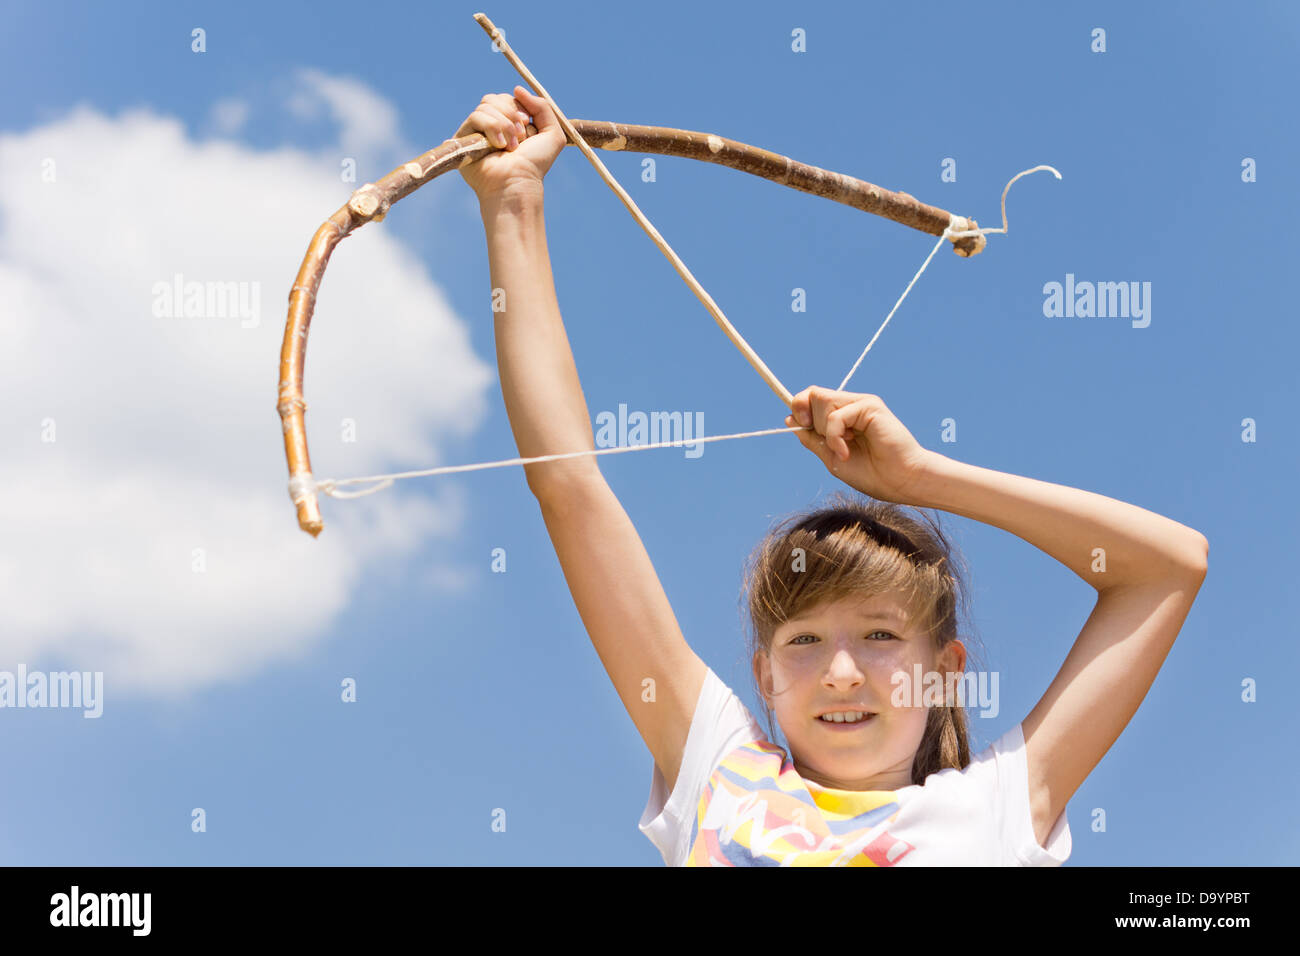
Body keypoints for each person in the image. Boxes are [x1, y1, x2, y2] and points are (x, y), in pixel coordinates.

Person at [456, 88, 1209, 866]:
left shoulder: (996, 812)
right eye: (804, 640)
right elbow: (568, 484)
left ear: (946, 673)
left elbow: (1166, 568)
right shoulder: (719, 772)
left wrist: (923, 477)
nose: (841, 673)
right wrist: (513, 202)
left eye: (882, 636)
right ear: (764, 674)